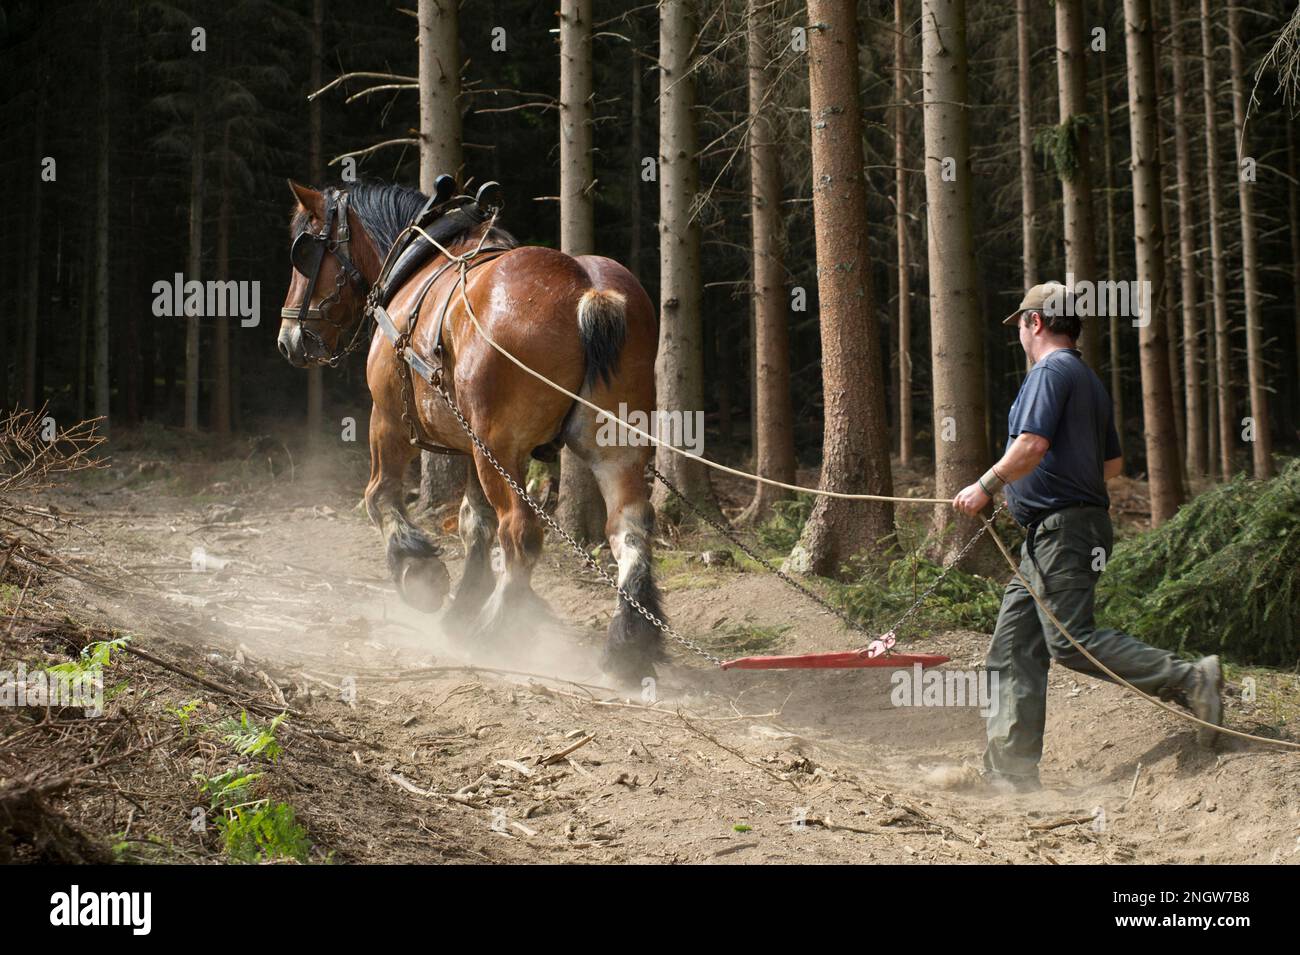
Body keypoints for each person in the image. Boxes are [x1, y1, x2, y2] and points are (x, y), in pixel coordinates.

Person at [952, 281, 1223, 793]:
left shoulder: (1050, 371)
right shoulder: (1087, 380)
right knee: (1014, 647)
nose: (1020, 337)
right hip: (1055, 533)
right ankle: (1010, 778)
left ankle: (1189, 678)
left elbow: (1031, 443)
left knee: (1070, 639)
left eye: (1021, 327)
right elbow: (1113, 464)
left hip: (1063, 531)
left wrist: (985, 487)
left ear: (1034, 322)